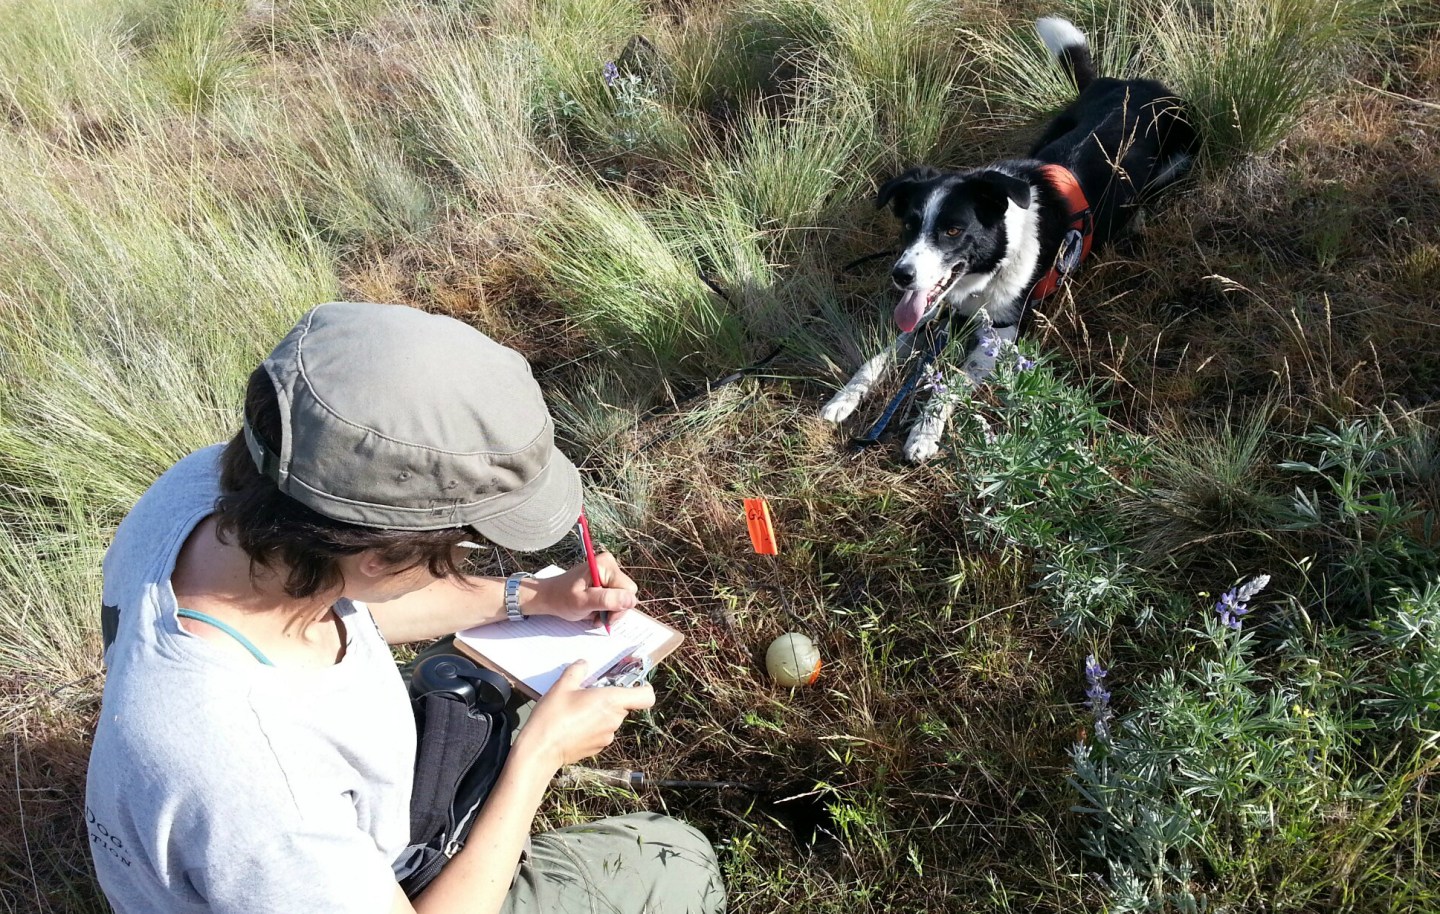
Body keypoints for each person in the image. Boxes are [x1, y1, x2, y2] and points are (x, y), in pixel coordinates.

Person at [85, 301, 727, 914]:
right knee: (677, 863)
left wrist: (533, 597)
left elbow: (359, 609)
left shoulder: (205, 493)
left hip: (314, 852)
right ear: (378, 558)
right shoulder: (258, 780)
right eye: (463, 544)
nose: (467, 558)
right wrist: (540, 757)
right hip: (351, 877)